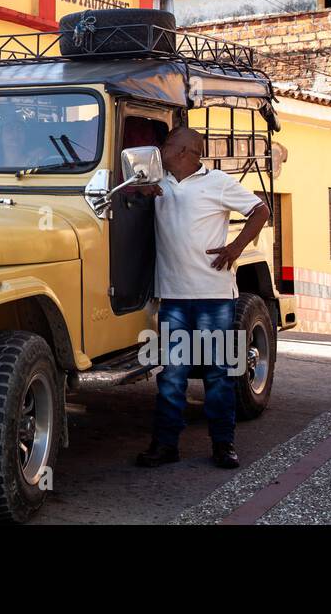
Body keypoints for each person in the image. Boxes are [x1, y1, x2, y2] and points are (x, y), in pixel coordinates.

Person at [135, 125, 270, 471]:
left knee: (219, 375)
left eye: (167, 143)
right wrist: (140, 193)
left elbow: (261, 210)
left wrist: (236, 247)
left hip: (214, 298)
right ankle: (166, 445)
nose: (161, 147)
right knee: (171, 377)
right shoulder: (158, 180)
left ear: (185, 151)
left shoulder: (218, 182)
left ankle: (223, 446)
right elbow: (128, 197)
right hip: (174, 298)